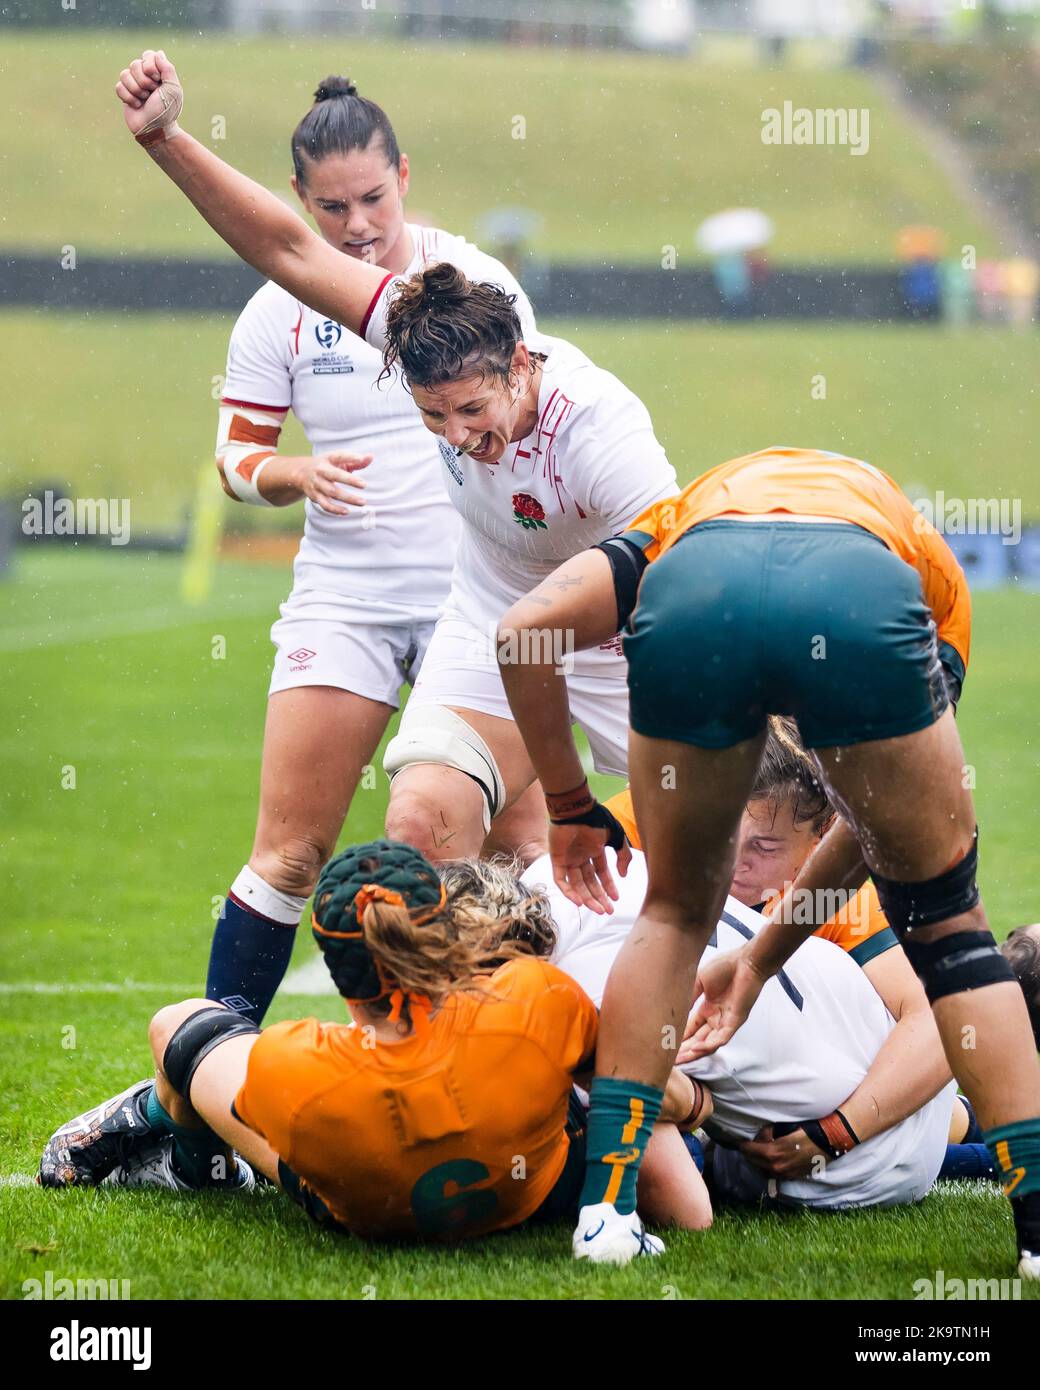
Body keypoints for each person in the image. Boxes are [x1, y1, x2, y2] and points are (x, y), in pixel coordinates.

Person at [114, 50, 676, 878]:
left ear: (519, 366)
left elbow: (673, 563)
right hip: (466, 620)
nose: (455, 435)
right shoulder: (414, 330)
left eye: (474, 412)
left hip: (601, 627)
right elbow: (286, 253)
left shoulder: (591, 423)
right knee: (412, 826)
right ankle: (437, 1010)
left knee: (713, 847)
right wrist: (164, 139)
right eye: (432, 415)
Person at [494, 442, 1040, 1273]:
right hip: (862, 594)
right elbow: (877, 820)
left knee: (673, 914)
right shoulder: (927, 566)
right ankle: (1035, 1232)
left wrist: (570, 807)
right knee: (956, 938)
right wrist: (759, 962)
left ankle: (604, 1215)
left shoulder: (679, 521)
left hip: (698, 594)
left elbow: (523, 633)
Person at [198, 76, 539, 1026]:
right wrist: (290, 476)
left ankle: (522, 1072)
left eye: (373, 200)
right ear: (299, 203)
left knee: (517, 848)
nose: (355, 226)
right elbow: (235, 460)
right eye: (330, 207)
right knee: (289, 854)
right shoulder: (276, 312)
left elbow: (533, 417)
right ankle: (208, 1082)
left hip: (472, 603)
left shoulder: (475, 285)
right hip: (343, 599)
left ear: (404, 176)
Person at [39, 840, 702, 1245]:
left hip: (359, 1211)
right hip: (529, 1193)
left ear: (341, 978)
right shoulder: (535, 997)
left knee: (180, 1027)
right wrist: (699, 1106)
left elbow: (206, 1051)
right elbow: (639, 1088)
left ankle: (186, 1158)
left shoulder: (295, 1063)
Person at [526, 839, 959, 1214]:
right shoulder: (636, 832)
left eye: (766, 846)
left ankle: (979, 1135)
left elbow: (939, 1026)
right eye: (730, 825)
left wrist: (837, 1133)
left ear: (816, 843)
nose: (738, 856)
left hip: (831, 1112)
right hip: (749, 1116)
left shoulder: (839, 898)